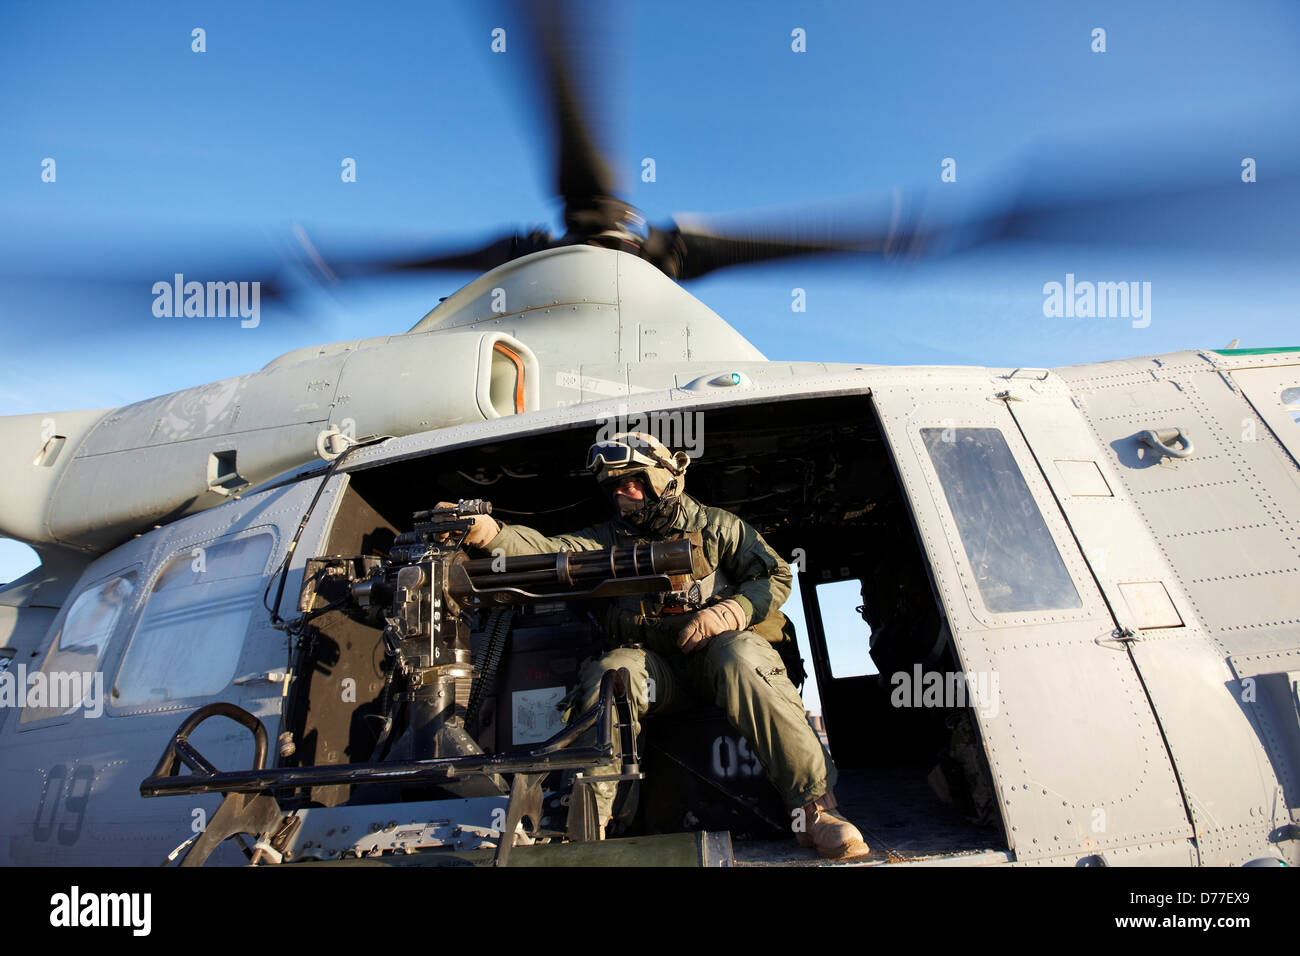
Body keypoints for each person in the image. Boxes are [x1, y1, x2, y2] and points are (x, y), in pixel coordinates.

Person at [441, 430, 869, 860]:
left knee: (742, 655)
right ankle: (593, 828)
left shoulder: (718, 527)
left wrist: (729, 613)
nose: (623, 494)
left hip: (718, 661)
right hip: (658, 673)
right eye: (615, 487)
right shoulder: (607, 537)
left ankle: (814, 811)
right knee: (612, 676)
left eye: (633, 482)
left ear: (664, 478)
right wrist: (491, 533)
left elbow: (775, 575)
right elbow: (553, 551)